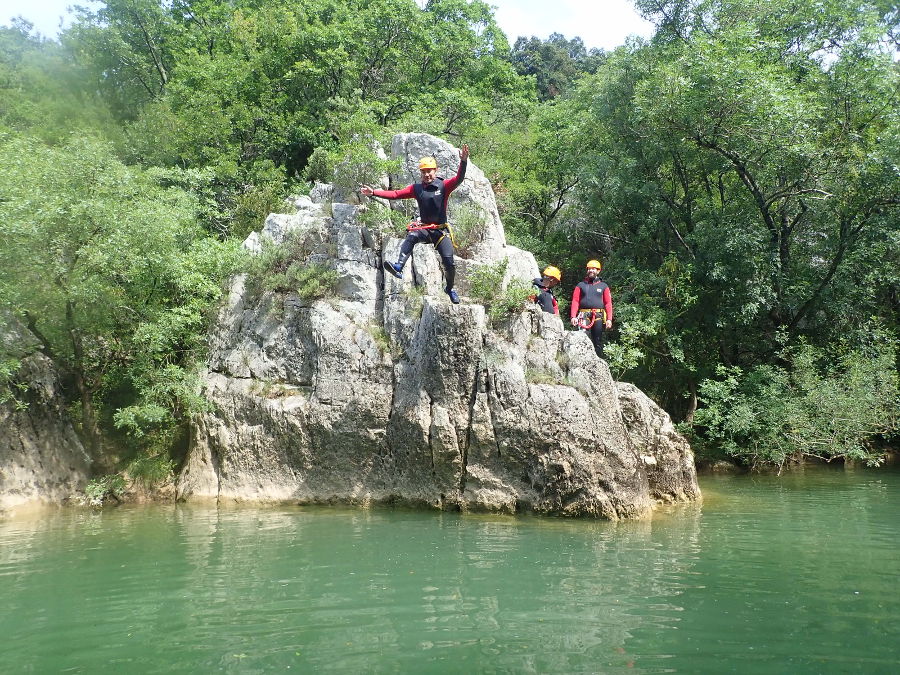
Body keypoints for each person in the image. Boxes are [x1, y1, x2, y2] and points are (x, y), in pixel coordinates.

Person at [361, 144, 469, 304]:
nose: (426, 174)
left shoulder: (444, 186)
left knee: (449, 262)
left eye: (429, 171)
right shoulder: (416, 189)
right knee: (411, 236)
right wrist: (374, 192)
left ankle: (450, 288)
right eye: (423, 171)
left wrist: (463, 162)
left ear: (435, 171)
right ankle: (398, 266)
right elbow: (396, 194)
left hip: (440, 232)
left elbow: (459, 179)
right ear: (420, 173)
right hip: (424, 229)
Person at [570, 259, 613, 358]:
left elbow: (608, 303)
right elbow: (575, 301)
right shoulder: (580, 285)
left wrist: (609, 319)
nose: (591, 271)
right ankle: (581, 361)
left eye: (594, 269)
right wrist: (573, 316)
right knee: (582, 339)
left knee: (597, 341)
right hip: (583, 316)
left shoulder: (603, 286)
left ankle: (597, 363)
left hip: (598, 316)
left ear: (598, 271)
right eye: (589, 269)